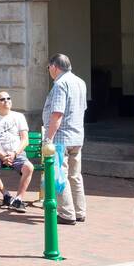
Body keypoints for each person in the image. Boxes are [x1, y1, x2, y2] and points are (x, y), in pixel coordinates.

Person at [42, 52, 87, 224]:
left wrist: (49, 138)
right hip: (77, 135)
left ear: (54, 67)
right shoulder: (80, 82)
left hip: (61, 137)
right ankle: (79, 211)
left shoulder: (60, 84)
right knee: (75, 175)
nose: (49, 71)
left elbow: (57, 114)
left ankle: (66, 213)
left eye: (49, 68)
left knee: (60, 174)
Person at [0, 91, 33, 211]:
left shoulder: (19, 116)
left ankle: (19, 199)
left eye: (8, 98)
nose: (6, 101)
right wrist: (2, 155)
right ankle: (6, 195)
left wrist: (14, 153)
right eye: (2, 99)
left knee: (29, 168)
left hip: (16, 153)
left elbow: (25, 140)